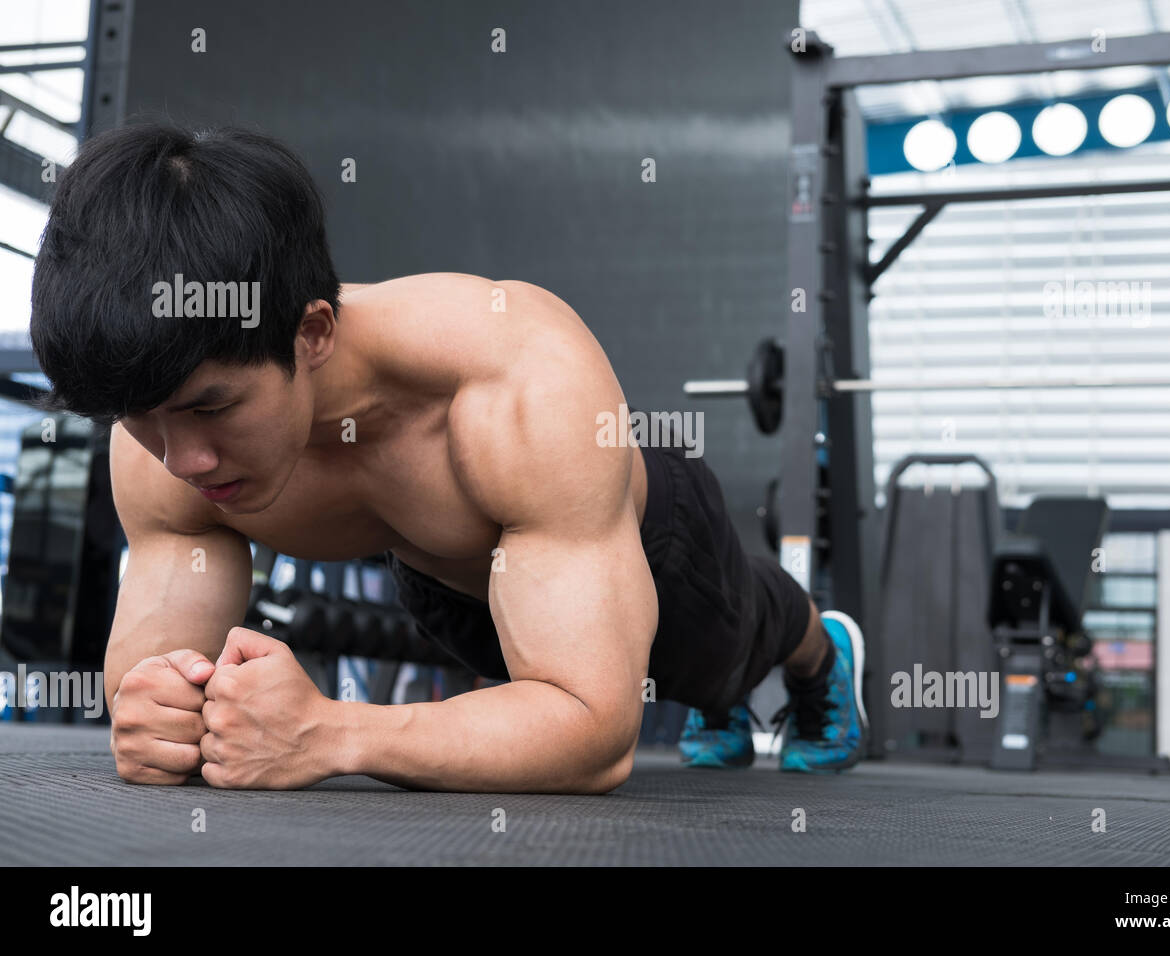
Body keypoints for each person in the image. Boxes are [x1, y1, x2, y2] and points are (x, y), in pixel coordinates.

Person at [28, 122, 867, 792]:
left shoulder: (512, 375)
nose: (183, 460)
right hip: (455, 581)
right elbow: (152, 680)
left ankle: (821, 651)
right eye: (140, 421)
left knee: (724, 653)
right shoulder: (162, 430)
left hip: (649, 541)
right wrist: (153, 714)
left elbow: (591, 738)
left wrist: (331, 732)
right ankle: (707, 700)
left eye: (212, 408)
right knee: (561, 688)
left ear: (312, 332)